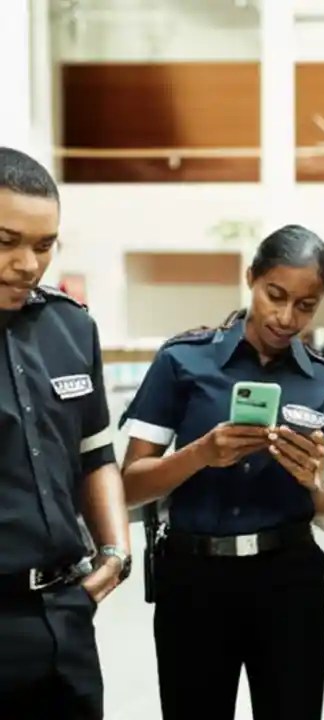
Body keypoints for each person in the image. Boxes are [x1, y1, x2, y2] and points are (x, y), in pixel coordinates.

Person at [118, 225, 324, 720]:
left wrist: (311, 480)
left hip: (289, 582)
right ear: (251, 278)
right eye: (275, 295)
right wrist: (202, 453)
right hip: (194, 580)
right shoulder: (182, 361)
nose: (287, 317)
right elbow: (127, 487)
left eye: (306, 305)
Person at [0, 147, 130, 719]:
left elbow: (95, 453)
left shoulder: (71, 327)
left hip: (65, 614)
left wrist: (117, 552)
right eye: (6, 242)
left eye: (44, 245)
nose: (28, 264)